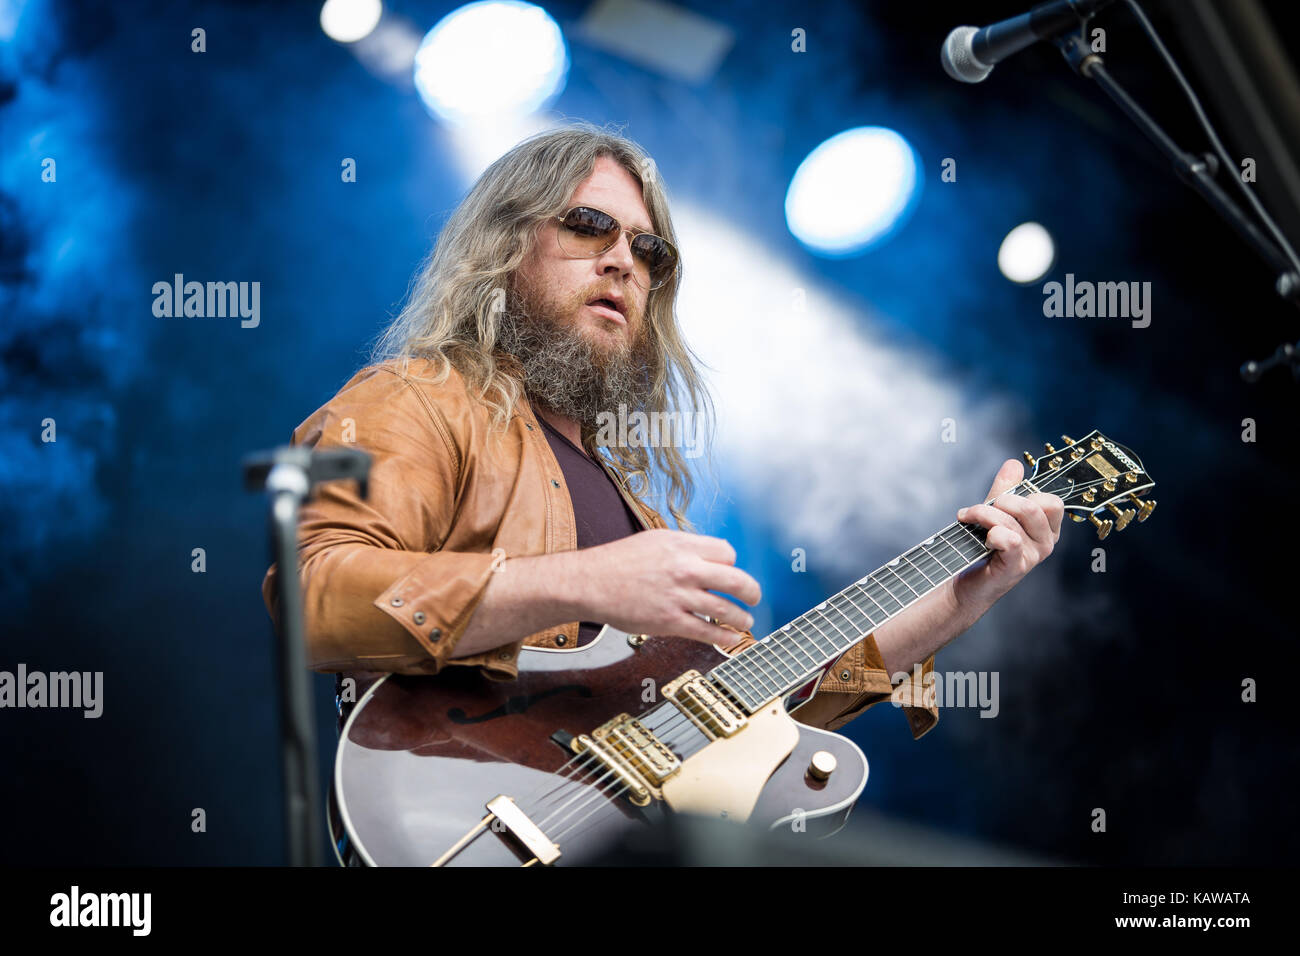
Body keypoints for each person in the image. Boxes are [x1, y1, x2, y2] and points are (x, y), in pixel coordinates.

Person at [260, 121, 1063, 750]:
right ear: (504, 248)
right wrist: (578, 583)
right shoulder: (419, 398)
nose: (623, 262)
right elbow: (313, 598)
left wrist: (967, 590)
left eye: (649, 250)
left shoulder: (638, 514)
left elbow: (769, 709)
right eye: (587, 227)